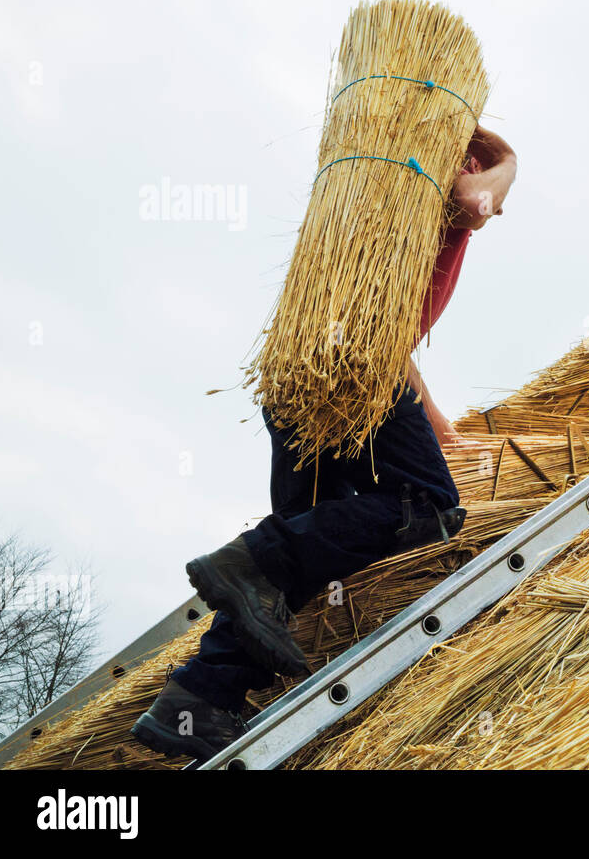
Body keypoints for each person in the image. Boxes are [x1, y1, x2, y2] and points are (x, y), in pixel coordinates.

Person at [131, 127, 517, 762]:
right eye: (498, 188)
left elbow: (394, 338)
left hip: (307, 364)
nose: (501, 208)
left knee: (301, 550)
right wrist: (508, 162)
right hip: (356, 367)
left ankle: (195, 702)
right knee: (428, 506)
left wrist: (439, 424)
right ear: (468, 160)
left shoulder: (385, 205)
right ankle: (249, 560)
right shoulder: (442, 186)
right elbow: (477, 202)